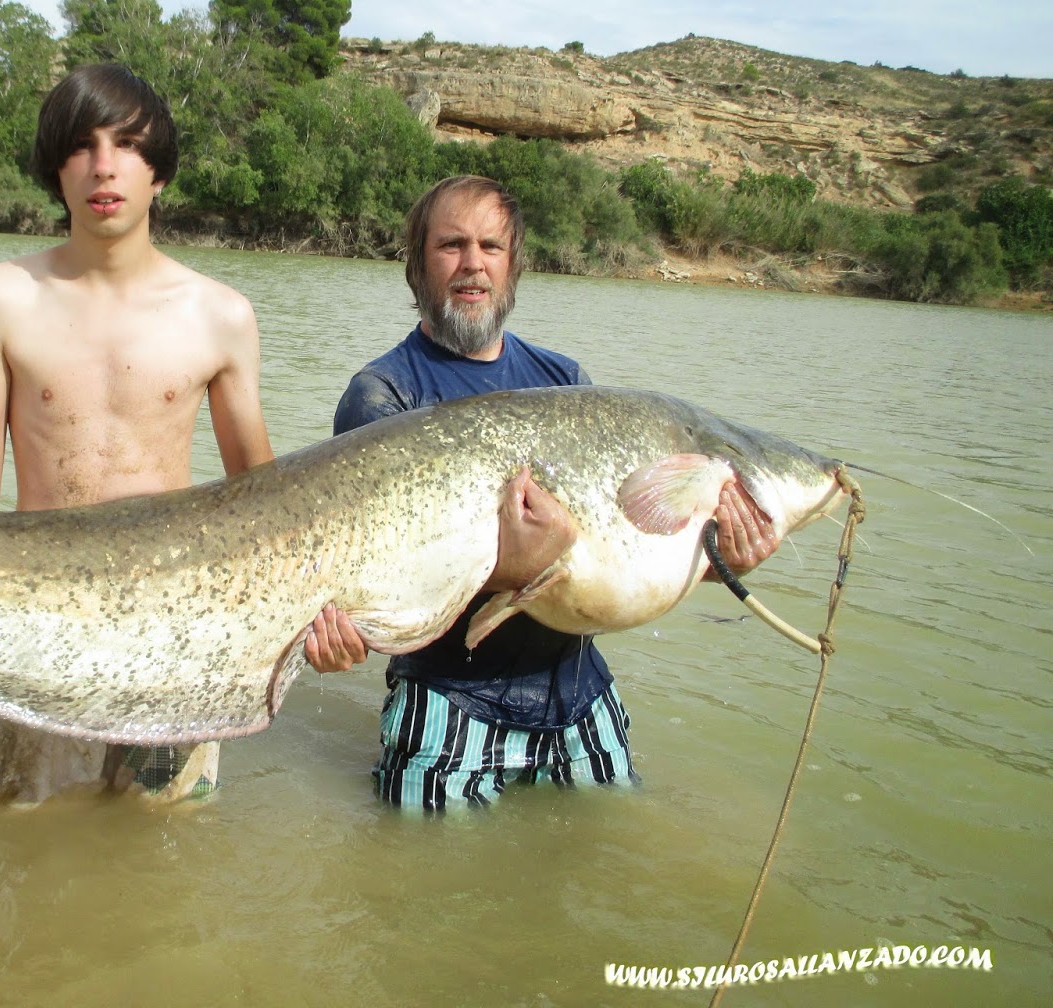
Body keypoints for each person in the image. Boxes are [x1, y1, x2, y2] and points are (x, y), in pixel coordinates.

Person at [0, 63, 274, 804]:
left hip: (178, 628)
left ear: (160, 172)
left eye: (127, 145)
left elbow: (267, 500)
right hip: (35, 619)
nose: (104, 166)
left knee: (168, 843)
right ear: (56, 169)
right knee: (22, 835)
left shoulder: (221, 315)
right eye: (81, 146)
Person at [306, 175, 778, 810]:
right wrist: (336, 634)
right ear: (417, 265)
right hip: (448, 698)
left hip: (578, 691)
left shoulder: (567, 384)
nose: (472, 264)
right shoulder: (383, 396)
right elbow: (385, 579)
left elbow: (622, 545)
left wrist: (722, 559)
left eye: (491, 247)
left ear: (513, 264)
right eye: (450, 245)